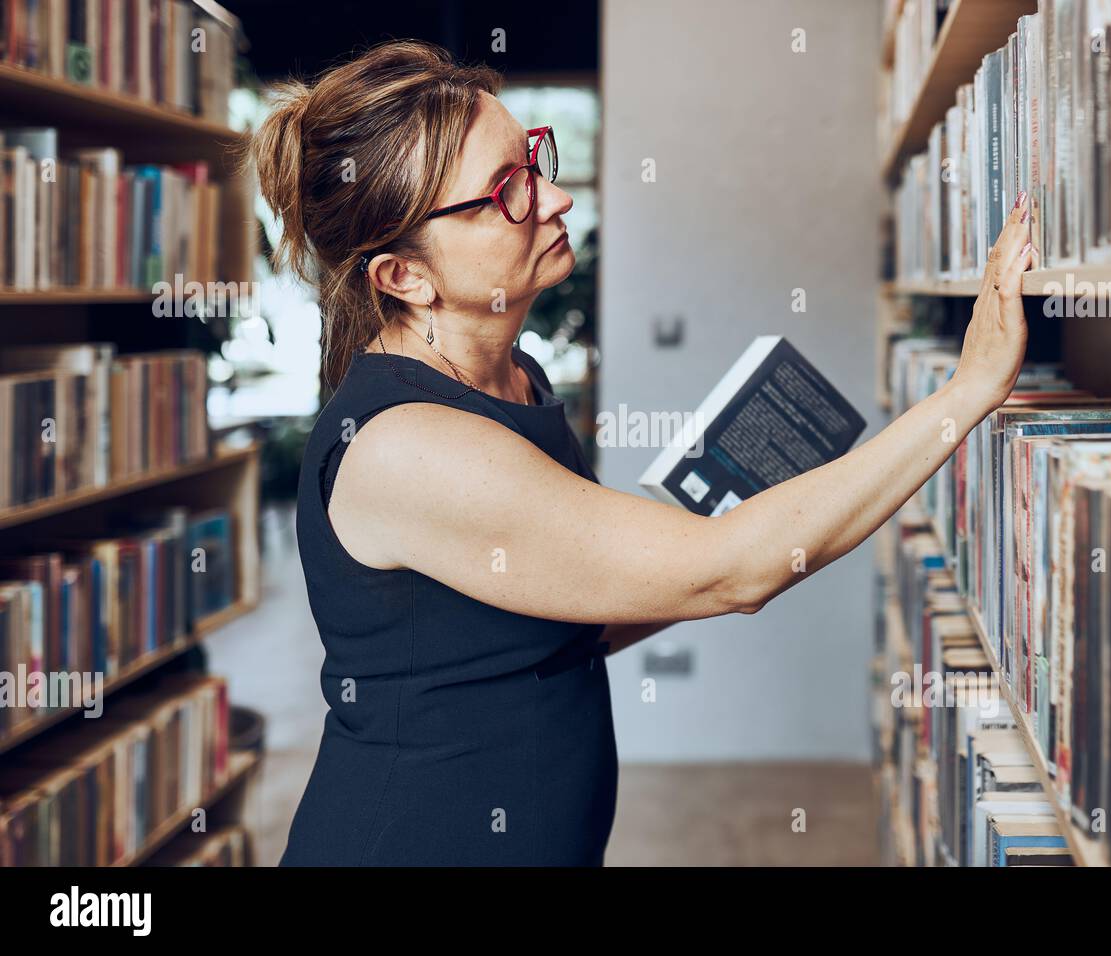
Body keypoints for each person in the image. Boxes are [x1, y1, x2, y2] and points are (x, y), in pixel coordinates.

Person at [248, 40, 1035, 866]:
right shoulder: (406, 447)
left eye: (534, 159)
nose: (552, 198)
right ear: (405, 276)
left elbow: (566, 619)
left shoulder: (518, 376)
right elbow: (735, 571)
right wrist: (965, 393)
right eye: (507, 192)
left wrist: (724, 495)